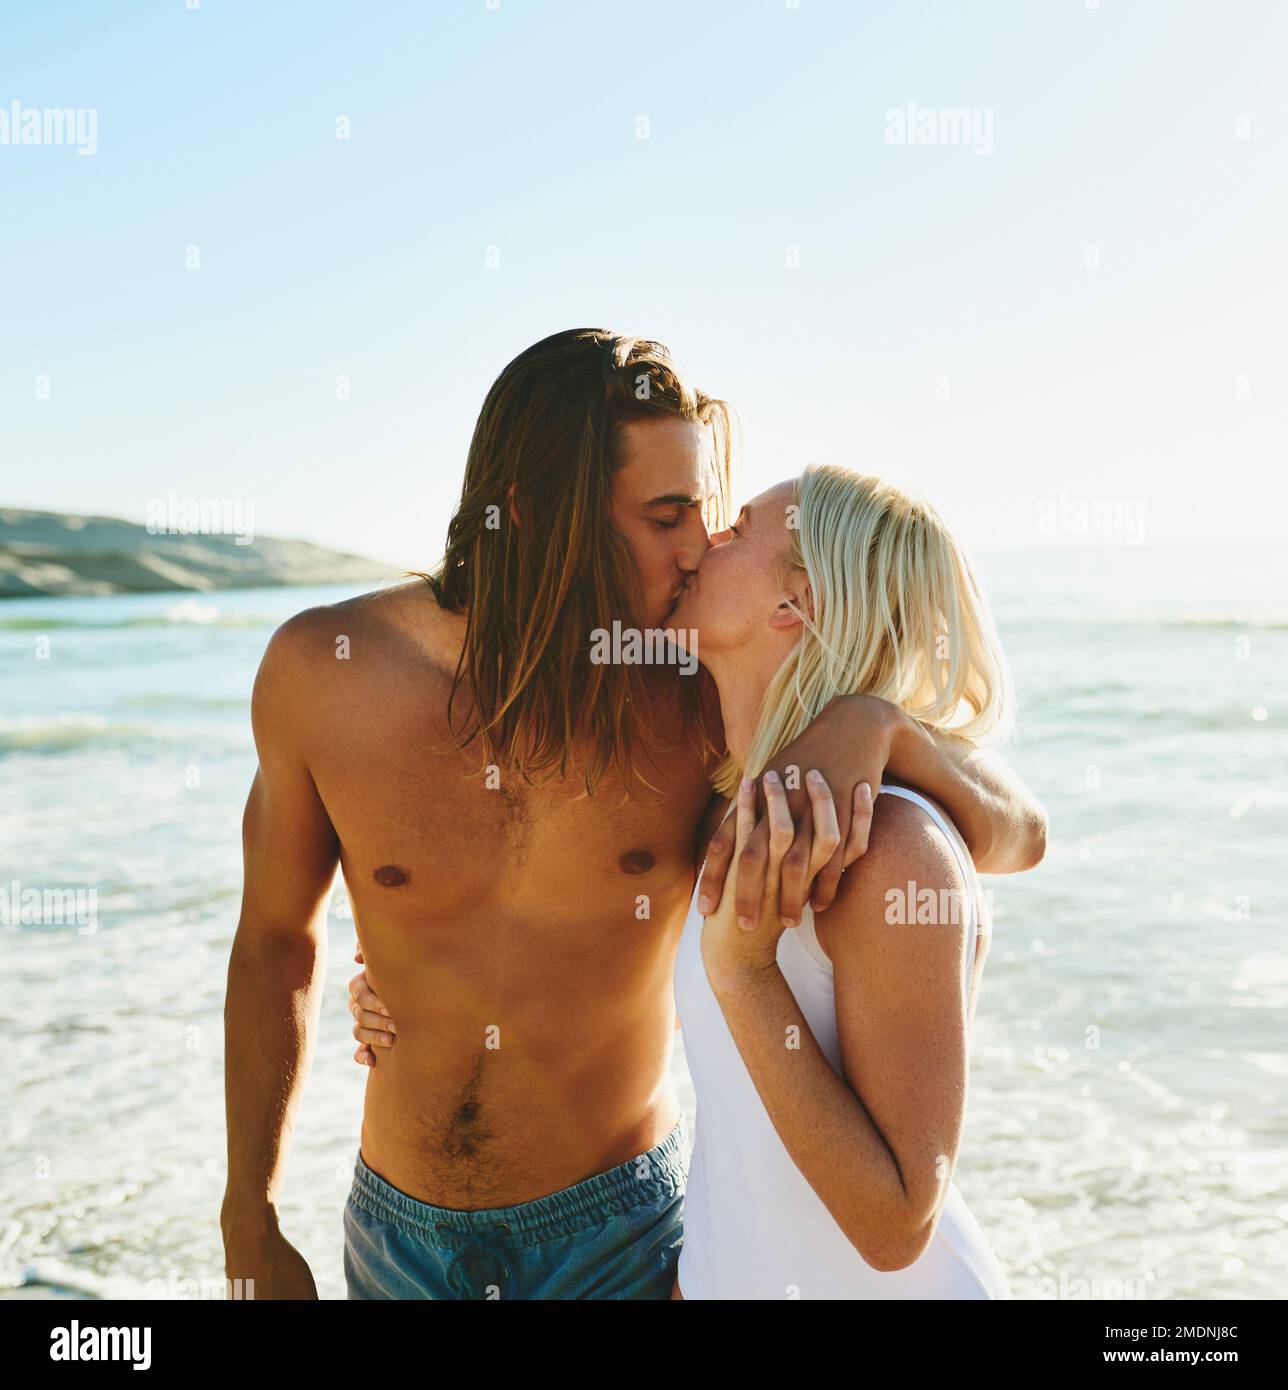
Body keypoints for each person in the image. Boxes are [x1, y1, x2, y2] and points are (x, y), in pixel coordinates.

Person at [224, 328, 1046, 1300]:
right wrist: (251, 1214)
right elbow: (277, 938)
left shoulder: (692, 696)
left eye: (706, 514)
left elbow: (1016, 833)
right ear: (533, 512)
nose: (697, 543)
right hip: (396, 1238)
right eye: (665, 516)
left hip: (624, 1240)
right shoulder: (328, 673)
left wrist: (879, 724)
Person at [671, 466, 1016, 1298]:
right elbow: (737, 1121)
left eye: (740, 528)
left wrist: (743, 972)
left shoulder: (892, 848)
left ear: (795, 602)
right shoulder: (735, 806)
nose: (707, 535)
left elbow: (897, 1223)